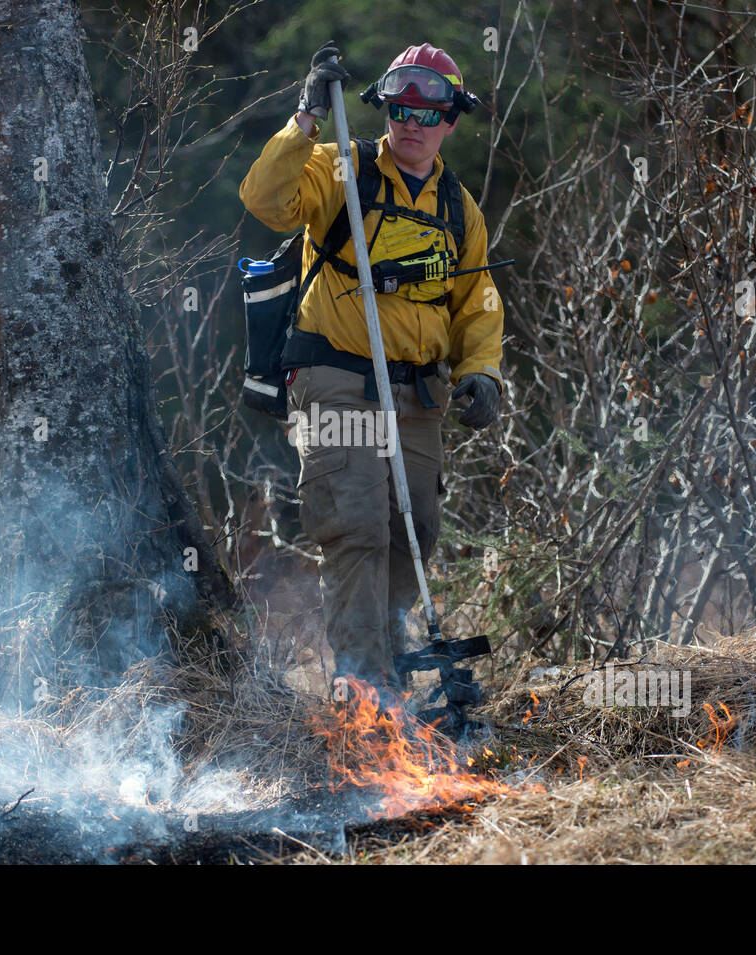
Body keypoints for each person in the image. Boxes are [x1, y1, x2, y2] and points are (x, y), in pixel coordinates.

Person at [239, 40, 504, 697]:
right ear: (385, 110)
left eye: (427, 113)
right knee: (355, 525)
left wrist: (482, 374)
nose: (411, 125)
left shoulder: (458, 211)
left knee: (414, 531)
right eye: (400, 110)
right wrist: (304, 117)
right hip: (334, 379)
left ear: (451, 120)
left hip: (418, 394)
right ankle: (364, 690)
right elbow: (265, 198)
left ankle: (392, 676)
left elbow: (478, 306)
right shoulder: (341, 171)